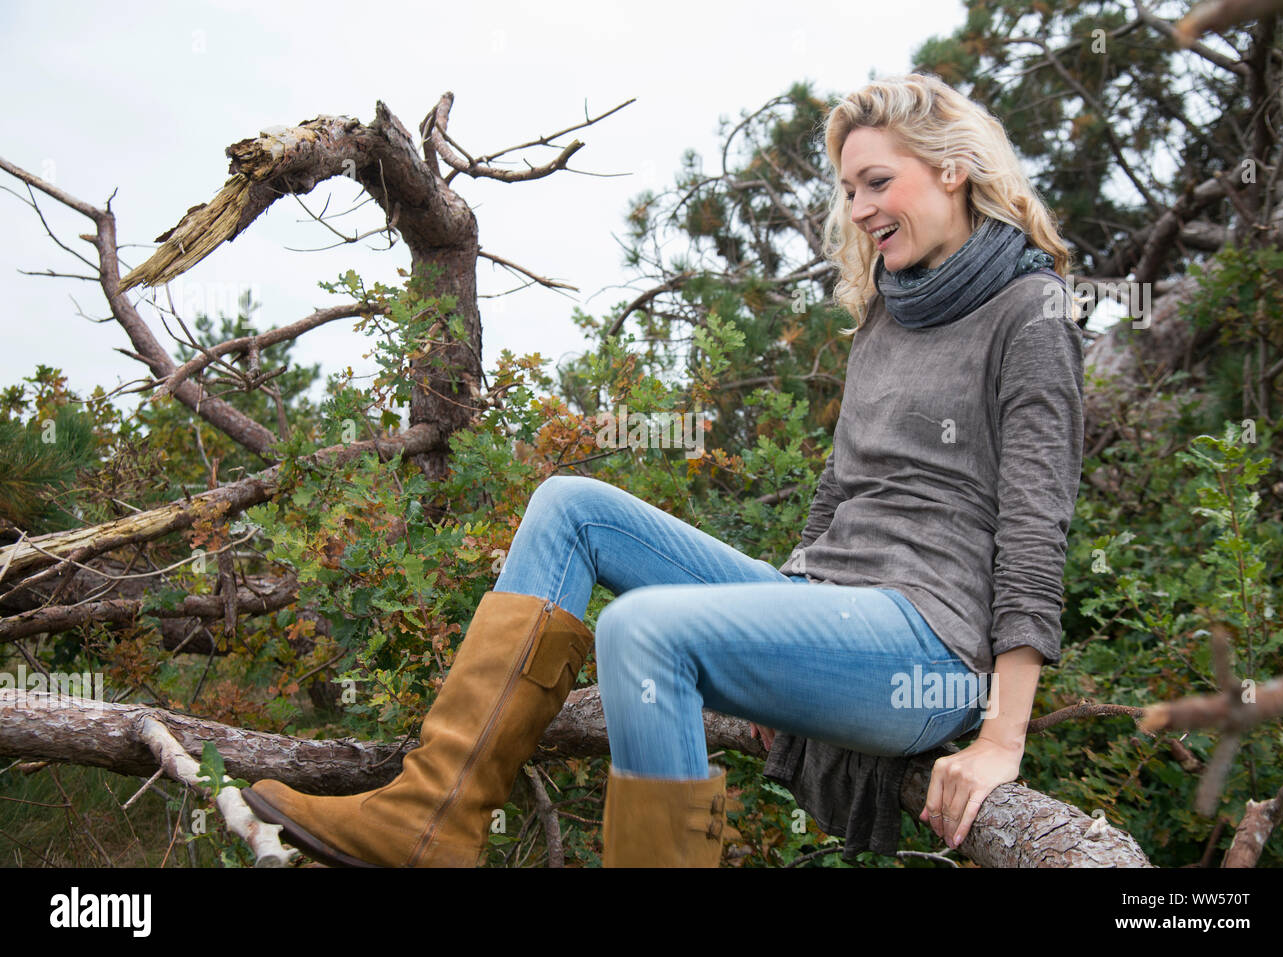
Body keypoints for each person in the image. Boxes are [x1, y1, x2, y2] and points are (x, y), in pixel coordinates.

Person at [241, 71, 1084, 868]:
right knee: (570, 505)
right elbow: (839, 496)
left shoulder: (1030, 310)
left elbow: (1035, 528)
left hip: (927, 650)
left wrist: (1000, 738)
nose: (857, 209)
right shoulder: (886, 317)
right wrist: (780, 662)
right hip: (825, 607)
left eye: (874, 182)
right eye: (848, 190)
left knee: (641, 628)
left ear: (952, 168)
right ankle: (429, 816)